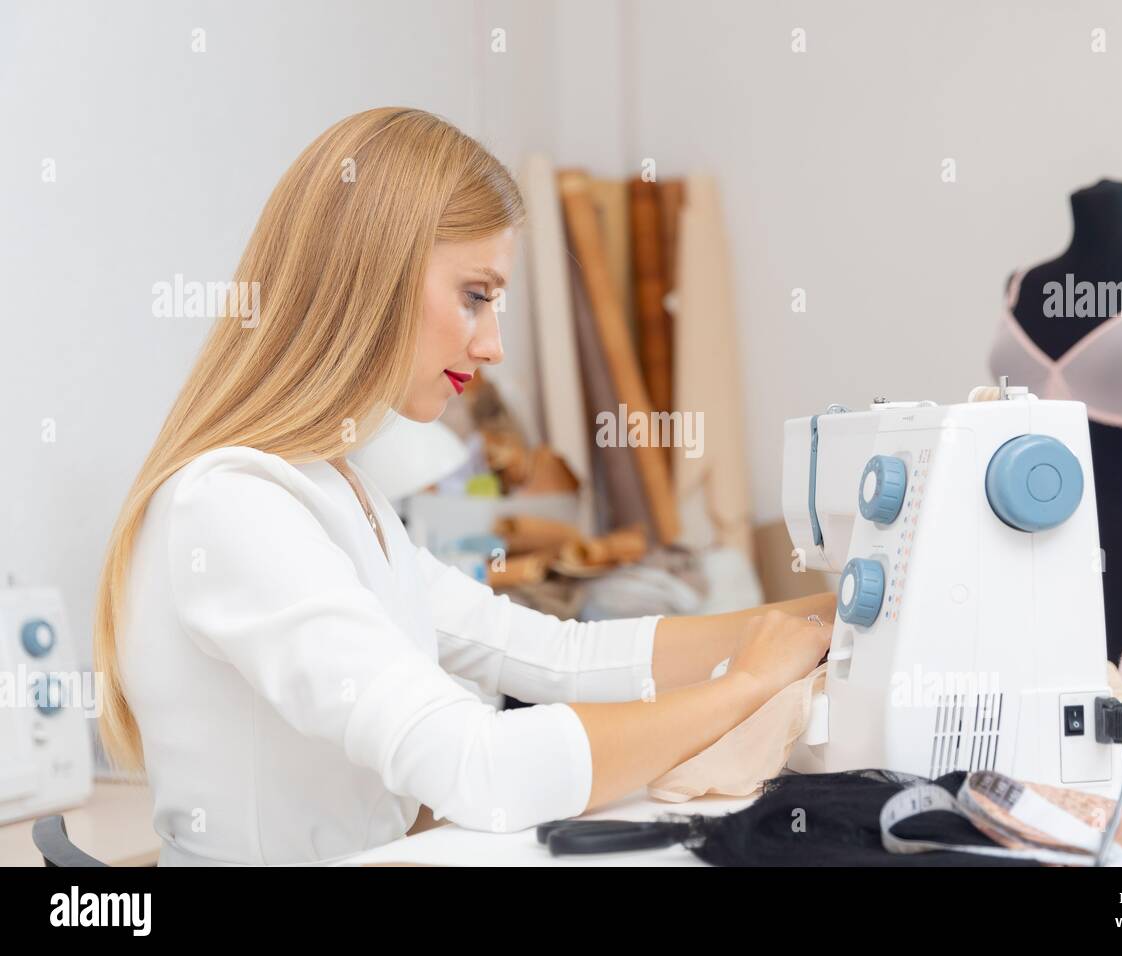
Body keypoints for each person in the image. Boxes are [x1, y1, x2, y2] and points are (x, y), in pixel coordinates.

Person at [93, 107, 831, 865]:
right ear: (370, 272)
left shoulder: (340, 495)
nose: (494, 345)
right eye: (475, 296)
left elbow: (556, 655)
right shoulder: (233, 505)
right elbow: (479, 768)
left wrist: (826, 618)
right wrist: (741, 688)